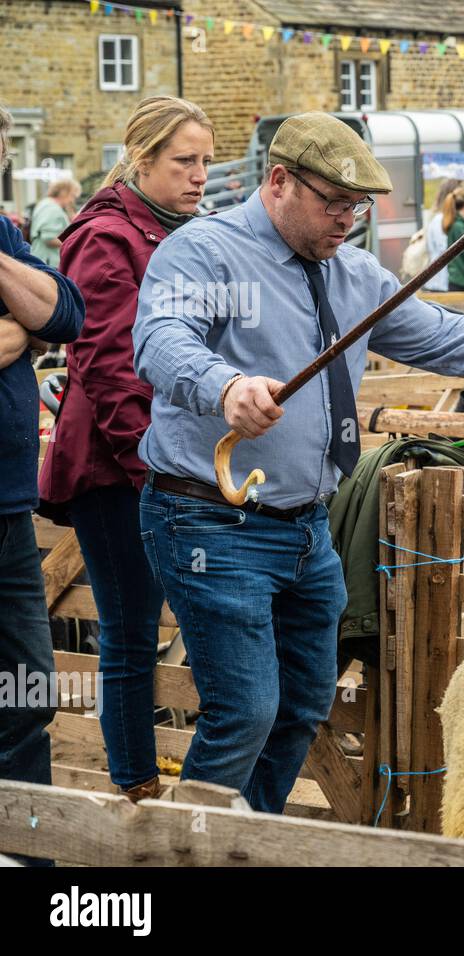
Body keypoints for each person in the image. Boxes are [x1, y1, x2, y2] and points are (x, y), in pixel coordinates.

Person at [131, 113, 464, 813]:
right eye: (333, 202)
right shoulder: (206, 254)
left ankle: (248, 834)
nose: (348, 220)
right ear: (278, 181)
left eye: (358, 206)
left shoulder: (355, 275)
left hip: (308, 525)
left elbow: (446, 338)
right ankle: (189, 849)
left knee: (303, 702)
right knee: (245, 708)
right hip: (211, 518)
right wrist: (224, 385)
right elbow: (159, 340)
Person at [35, 97, 213, 801]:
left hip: (172, 458)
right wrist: (156, 469)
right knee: (131, 629)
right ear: (142, 161)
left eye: (206, 161)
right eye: (184, 162)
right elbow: (108, 363)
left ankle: (197, 780)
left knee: (197, 619)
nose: (200, 175)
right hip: (117, 466)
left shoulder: (186, 230)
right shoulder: (105, 236)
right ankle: (136, 786)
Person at [0, 104, 86, 841]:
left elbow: (67, 315)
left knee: (26, 689)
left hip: (6, 507)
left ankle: (25, 847)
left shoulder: (3, 232)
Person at [28, 178, 81, 269]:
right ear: (64, 192)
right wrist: (75, 241)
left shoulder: (46, 204)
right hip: (48, 262)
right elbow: (49, 239)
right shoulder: (52, 209)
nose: (72, 201)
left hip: (42, 259)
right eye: (73, 196)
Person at [423, 177, 462, 292]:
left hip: (441, 281)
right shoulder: (440, 220)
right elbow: (445, 250)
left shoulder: (442, 219)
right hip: (441, 283)